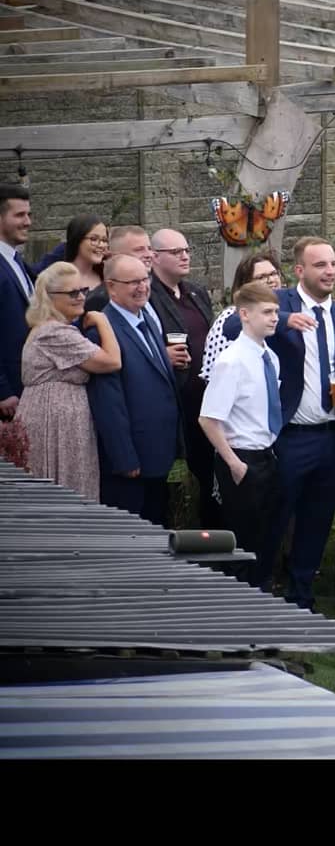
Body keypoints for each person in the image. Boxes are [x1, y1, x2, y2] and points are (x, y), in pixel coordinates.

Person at [224, 237, 335, 611]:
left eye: (333, 264)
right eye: (320, 265)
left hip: (331, 435)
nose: (330, 271)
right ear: (299, 270)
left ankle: (301, 596)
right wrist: (283, 320)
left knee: (317, 521)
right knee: (275, 518)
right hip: (290, 436)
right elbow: (230, 329)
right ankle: (257, 593)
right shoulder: (280, 304)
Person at [87, 253, 186, 523]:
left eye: (145, 279)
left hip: (158, 452)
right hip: (131, 462)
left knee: (157, 525)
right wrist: (124, 458)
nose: (142, 287)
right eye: (133, 282)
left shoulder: (147, 318)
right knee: (132, 533)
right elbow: (108, 402)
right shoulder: (103, 331)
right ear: (111, 287)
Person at [197, 279, 282, 590]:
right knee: (244, 539)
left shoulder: (269, 357)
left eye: (275, 311)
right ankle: (241, 600)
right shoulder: (231, 361)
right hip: (242, 457)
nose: (274, 318)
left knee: (267, 535)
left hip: (268, 454)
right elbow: (208, 418)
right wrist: (234, 462)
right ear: (244, 315)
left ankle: (262, 594)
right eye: (266, 312)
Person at [20, 262, 120, 498]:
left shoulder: (53, 329)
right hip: (53, 421)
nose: (81, 297)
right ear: (49, 297)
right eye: (72, 293)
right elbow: (112, 361)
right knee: (62, 486)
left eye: (83, 290)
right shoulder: (55, 332)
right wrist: (103, 321)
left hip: (60, 417)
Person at [146, 229, 218, 523]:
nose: (185, 256)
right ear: (154, 257)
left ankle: (215, 544)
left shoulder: (196, 292)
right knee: (170, 487)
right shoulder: (148, 296)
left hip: (206, 402)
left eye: (186, 250)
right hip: (174, 403)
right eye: (176, 252)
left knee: (211, 478)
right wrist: (162, 355)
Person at [200, 253, 282, 382]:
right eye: (261, 277)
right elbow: (213, 374)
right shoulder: (230, 316)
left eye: (273, 274)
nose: (270, 280)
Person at [0, 185, 36, 422]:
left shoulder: (15, 259)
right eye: (20, 215)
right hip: (9, 396)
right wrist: (2, 390)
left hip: (26, 388)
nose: (28, 222)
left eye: (29, 214)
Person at [58, 216, 110, 297]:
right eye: (94, 239)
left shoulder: (108, 275)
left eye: (104, 240)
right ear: (77, 240)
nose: (101, 245)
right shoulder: (58, 277)